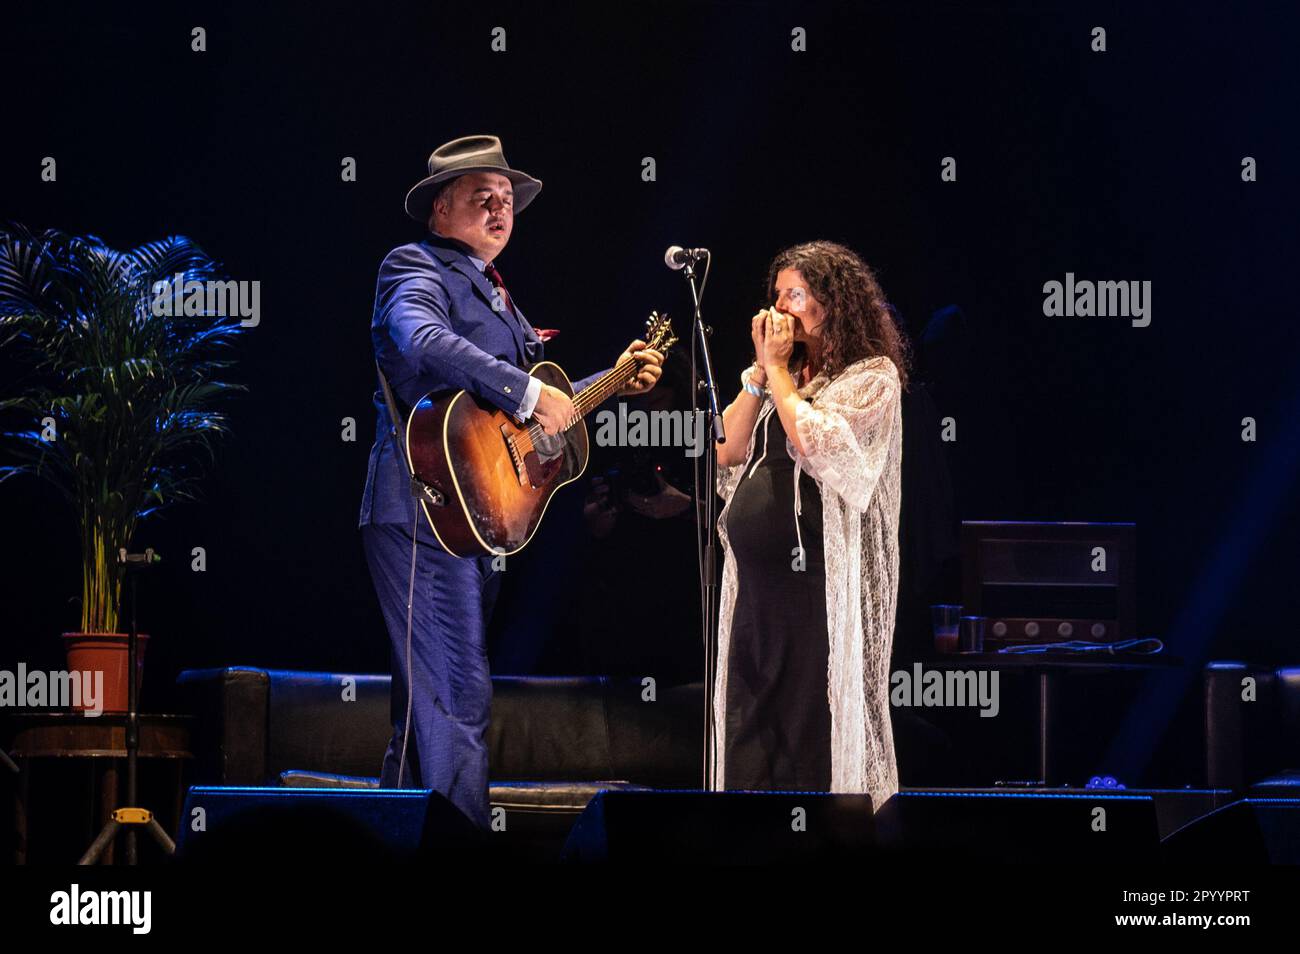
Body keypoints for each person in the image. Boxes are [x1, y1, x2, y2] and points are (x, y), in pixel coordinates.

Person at [358, 135, 662, 828]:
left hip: (473, 520)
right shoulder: (416, 265)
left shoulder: (498, 296)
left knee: (425, 711)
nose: (500, 210)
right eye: (480, 199)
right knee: (459, 697)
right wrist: (527, 391)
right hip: (423, 510)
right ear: (440, 209)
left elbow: (520, 421)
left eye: (506, 201)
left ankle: (399, 850)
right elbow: (422, 341)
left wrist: (610, 381)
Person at [711, 240, 907, 808]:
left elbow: (819, 445)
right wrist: (758, 379)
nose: (780, 310)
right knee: (749, 722)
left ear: (832, 303)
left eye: (794, 295)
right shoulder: (782, 378)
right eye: (777, 297)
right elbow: (725, 451)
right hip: (754, 589)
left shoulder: (872, 377)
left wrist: (777, 373)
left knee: (806, 725)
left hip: (813, 587)